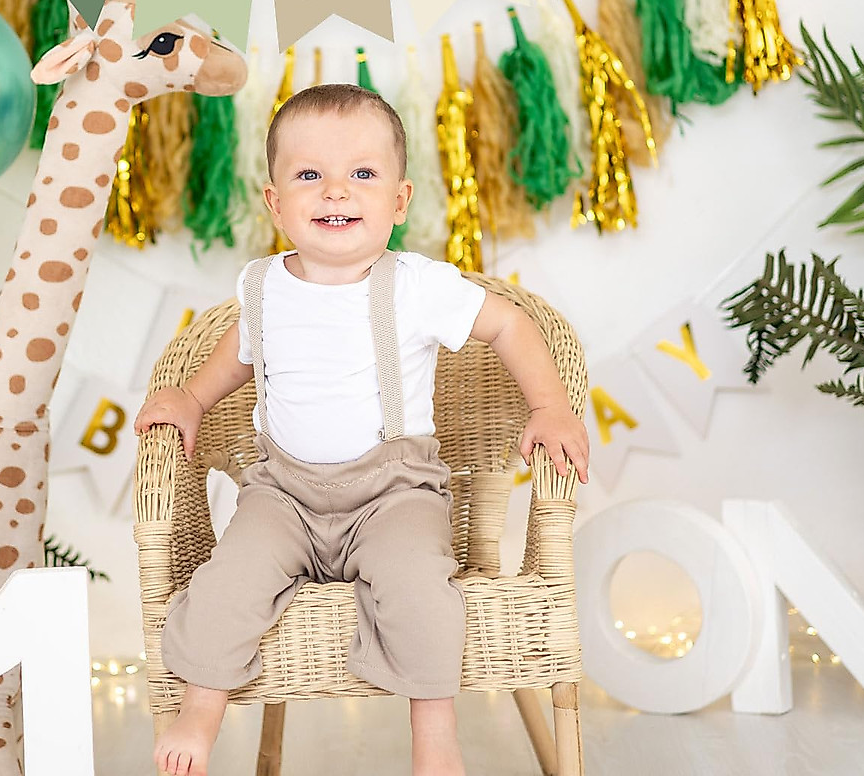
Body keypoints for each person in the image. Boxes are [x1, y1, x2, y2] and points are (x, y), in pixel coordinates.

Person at [134, 83, 589, 776]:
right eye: (310, 175)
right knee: (226, 580)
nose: (336, 193)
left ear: (399, 202)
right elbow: (238, 354)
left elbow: (508, 323)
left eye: (363, 175)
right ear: (275, 200)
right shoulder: (260, 285)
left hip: (394, 496)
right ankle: (203, 706)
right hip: (280, 496)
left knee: (419, 590)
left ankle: (434, 734)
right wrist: (193, 399)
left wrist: (549, 405)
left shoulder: (416, 283)